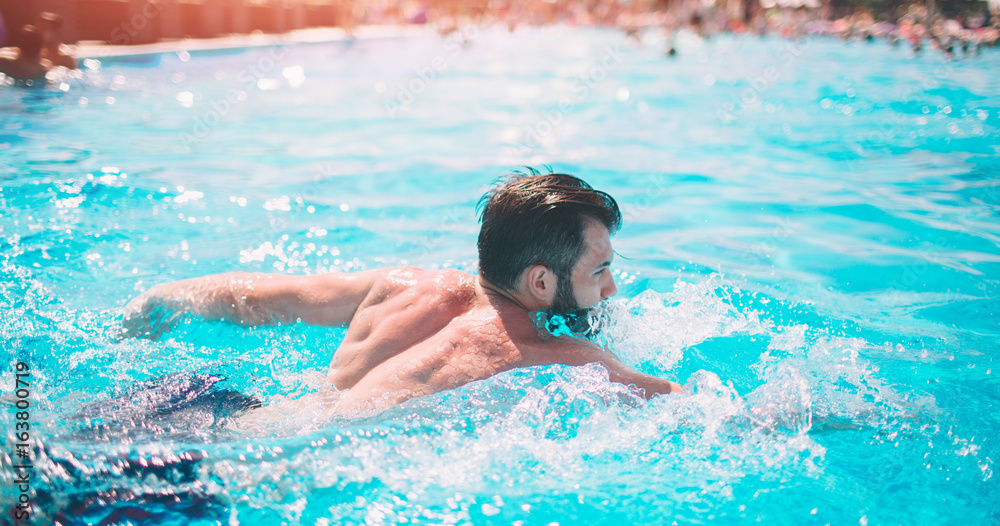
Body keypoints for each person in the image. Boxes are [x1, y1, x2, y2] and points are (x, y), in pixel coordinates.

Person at [121, 171, 683, 421]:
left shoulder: (406, 284)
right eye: (601, 270)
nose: (610, 288)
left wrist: (157, 299)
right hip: (247, 466)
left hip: (207, 402)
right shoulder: (567, 356)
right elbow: (702, 412)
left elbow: (254, 298)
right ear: (540, 282)